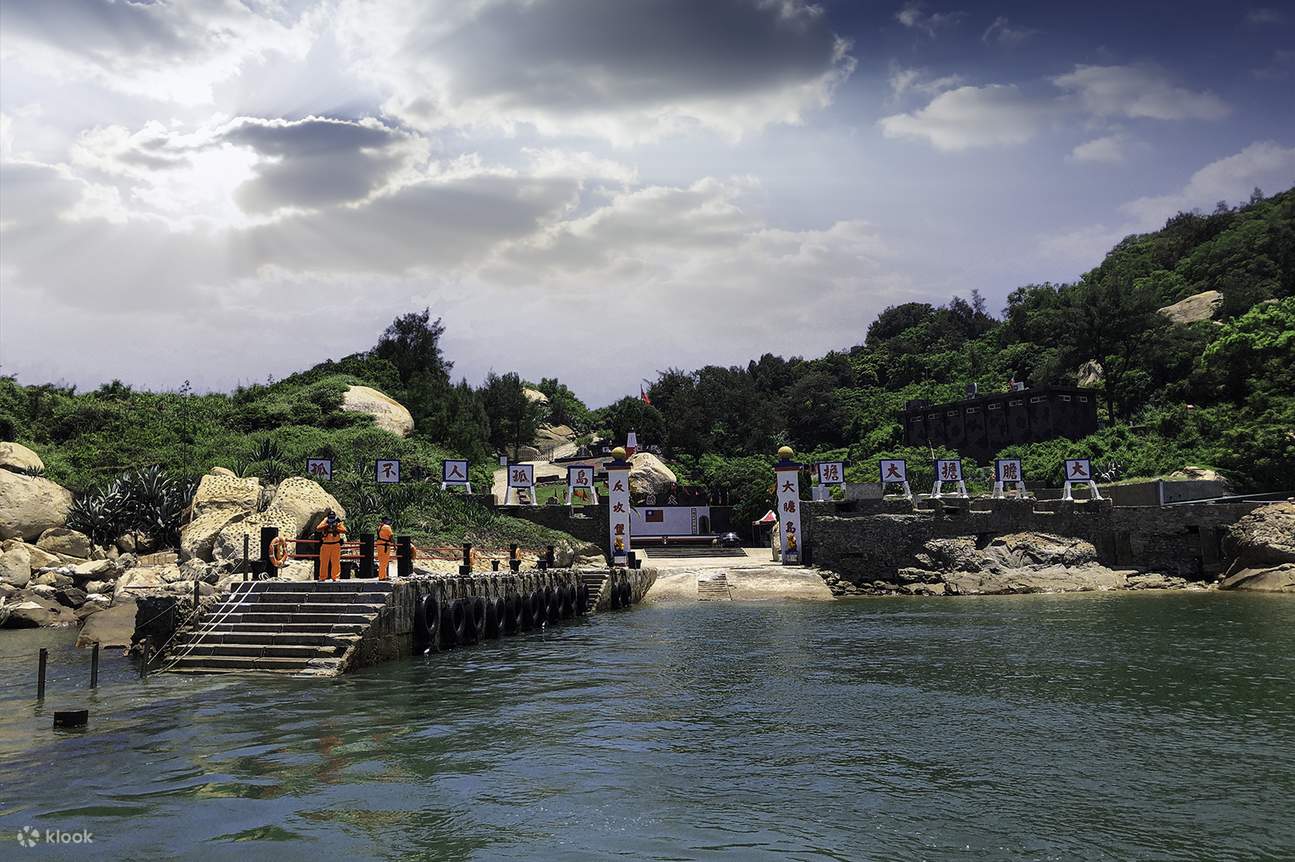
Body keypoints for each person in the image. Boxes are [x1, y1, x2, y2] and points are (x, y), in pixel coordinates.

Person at [315, 509, 347, 582]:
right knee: (324, 562)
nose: (331, 519)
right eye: (330, 517)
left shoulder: (338, 522)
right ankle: (322, 577)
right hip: (325, 545)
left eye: (333, 517)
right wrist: (327, 524)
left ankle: (335, 577)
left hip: (336, 545)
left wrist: (336, 526)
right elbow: (318, 528)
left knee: (336, 562)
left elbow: (344, 530)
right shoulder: (325, 521)